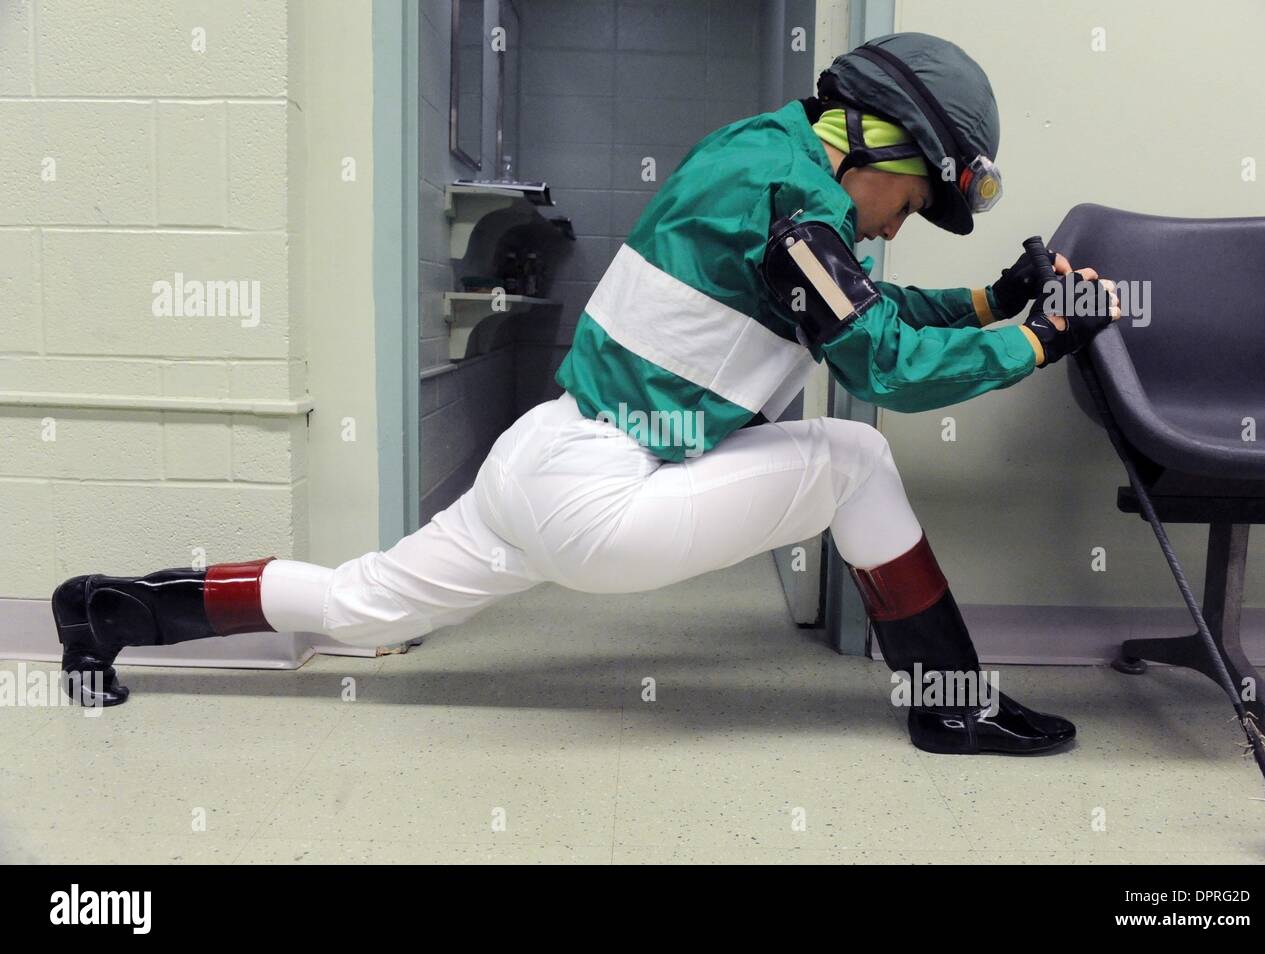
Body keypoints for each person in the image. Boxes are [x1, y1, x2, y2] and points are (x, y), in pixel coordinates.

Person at [52, 32, 1120, 755]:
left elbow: (863, 317)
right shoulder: (801, 208)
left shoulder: (770, 162)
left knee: (354, 604)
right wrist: (1045, 336)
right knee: (856, 461)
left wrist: (996, 300)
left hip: (539, 460)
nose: (897, 226)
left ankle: (110, 608)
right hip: (600, 497)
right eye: (914, 201)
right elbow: (881, 364)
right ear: (884, 144)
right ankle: (950, 708)